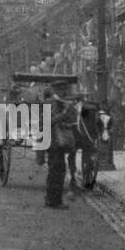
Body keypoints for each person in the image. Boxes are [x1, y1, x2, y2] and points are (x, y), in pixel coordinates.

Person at [45, 80, 78, 209]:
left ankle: (52, 199)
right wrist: (64, 112)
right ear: (57, 90)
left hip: (58, 142)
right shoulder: (52, 104)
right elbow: (49, 121)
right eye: (62, 90)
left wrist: (70, 110)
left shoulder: (60, 103)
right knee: (57, 171)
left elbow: (73, 119)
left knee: (57, 171)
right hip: (53, 141)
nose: (65, 93)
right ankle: (54, 201)